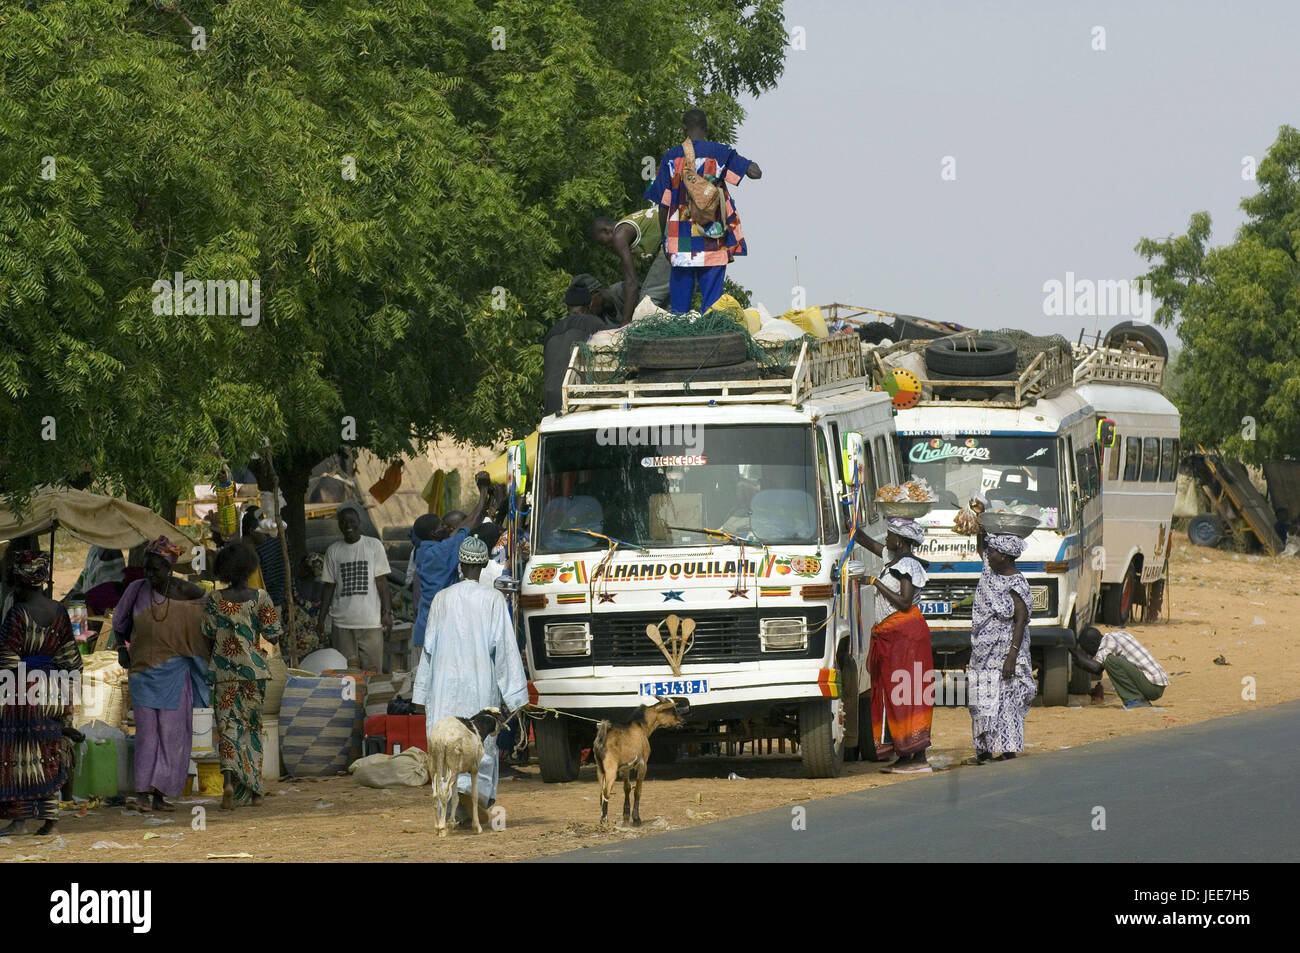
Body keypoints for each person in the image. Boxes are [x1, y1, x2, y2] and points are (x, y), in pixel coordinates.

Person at [413, 536, 529, 826]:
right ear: (483, 565)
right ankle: (471, 808)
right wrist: (516, 698)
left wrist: (420, 694)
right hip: (479, 686)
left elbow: (427, 650)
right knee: (477, 751)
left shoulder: (441, 599)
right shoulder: (492, 599)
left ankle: (451, 812)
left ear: (461, 564)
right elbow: (503, 650)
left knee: (446, 750)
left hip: (444, 689)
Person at [116, 536, 209, 813]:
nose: (150, 574)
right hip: (143, 673)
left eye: (156, 569)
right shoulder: (136, 589)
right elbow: (120, 622)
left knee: (172, 735)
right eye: (147, 568)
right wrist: (122, 647)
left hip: (176, 676)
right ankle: (142, 793)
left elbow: (209, 614)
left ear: (169, 569)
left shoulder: (189, 592)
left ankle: (160, 794)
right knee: (146, 735)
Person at [645, 108, 762, 314]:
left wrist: (666, 241)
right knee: (712, 309)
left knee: (679, 311)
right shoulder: (719, 153)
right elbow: (755, 173)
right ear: (706, 128)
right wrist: (740, 162)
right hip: (712, 238)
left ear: (684, 130)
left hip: (679, 242)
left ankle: (679, 344)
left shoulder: (671, 158)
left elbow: (663, 205)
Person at [0, 551, 83, 835]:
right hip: (53, 691)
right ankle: (50, 819)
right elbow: (72, 659)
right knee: (48, 752)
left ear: (22, 582)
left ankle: (19, 820)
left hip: (21, 692)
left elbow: (6, 662)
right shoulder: (59, 611)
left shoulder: (17, 614)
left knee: (18, 755)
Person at [202, 542, 281, 810]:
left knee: (228, 730)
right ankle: (256, 791)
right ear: (250, 567)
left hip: (224, 673)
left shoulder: (214, 600)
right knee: (251, 730)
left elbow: (209, 633)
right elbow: (273, 634)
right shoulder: (260, 598)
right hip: (254, 673)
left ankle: (228, 784)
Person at [852, 518, 934, 772]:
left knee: (908, 693)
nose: (885, 540)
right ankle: (905, 753)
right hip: (894, 637)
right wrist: (851, 520)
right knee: (896, 694)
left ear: (899, 541)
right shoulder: (894, 559)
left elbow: (905, 601)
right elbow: (866, 542)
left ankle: (917, 755)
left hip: (905, 638)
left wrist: (873, 582)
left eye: (889, 536)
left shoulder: (907, 565)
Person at [410, 472, 494, 669]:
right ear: (434, 533)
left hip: (428, 630)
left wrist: (487, 500)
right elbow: (465, 527)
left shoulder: (425, 549)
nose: (447, 529)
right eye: (442, 526)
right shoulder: (440, 553)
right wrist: (482, 492)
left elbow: (461, 529)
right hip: (437, 634)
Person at [965, 533, 1035, 763]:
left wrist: (1011, 657)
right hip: (983, 651)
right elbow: (981, 544)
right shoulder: (990, 573)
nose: (988, 554)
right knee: (981, 698)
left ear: (1003, 556)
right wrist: (979, 520)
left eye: (993, 551)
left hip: (1005, 650)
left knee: (1005, 699)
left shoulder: (1017, 583)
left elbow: (1021, 619)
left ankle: (1007, 749)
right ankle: (984, 751)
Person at [317, 504, 392, 672]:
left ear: (359, 522)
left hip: (370, 623)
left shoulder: (374, 546)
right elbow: (328, 587)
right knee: (345, 675)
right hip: (342, 624)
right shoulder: (333, 551)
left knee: (372, 673)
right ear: (339, 525)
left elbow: (382, 582)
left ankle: (372, 700)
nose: (348, 526)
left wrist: (387, 613)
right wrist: (321, 618)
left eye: (352, 521)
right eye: (343, 522)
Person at [541, 282, 622, 415]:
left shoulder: (552, 331)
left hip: (551, 406)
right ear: (589, 305)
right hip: (577, 405)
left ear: (567, 307)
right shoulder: (595, 324)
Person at [591, 210, 672, 320]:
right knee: (667, 300)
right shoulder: (627, 228)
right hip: (680, 236)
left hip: (674, 240)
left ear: (606, 231)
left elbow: (632, 282)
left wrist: (625, 322)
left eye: (603, 243)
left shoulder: (619, 235)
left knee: (647, 300)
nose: (606, 247)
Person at [1072, 626, 1169, 709]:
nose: (1089, 654)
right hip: (1156, 683)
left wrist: (1076, 656)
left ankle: (1135, 700)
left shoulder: (1106, 643)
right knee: (1110, 661)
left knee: (1110, 661)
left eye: (1087, 650)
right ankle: (1138, 699)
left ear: (1093, 644)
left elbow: (1097, 668)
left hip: (1152, 686)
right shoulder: (1119, 634)